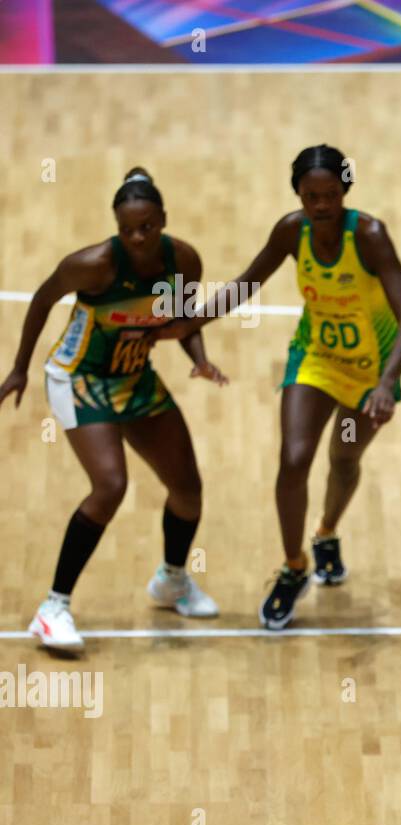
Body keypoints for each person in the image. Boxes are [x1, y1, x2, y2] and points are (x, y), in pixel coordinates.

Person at [159, 145, 401, 629]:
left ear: (345, 191)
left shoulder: (369, 235)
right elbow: (245, 283)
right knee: (293, 459)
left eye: (330, 195)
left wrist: (387, 382)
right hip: (315, 357)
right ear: (296, 193)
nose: (320, 205)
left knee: (344, 458)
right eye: (310, 195)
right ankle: (294, 565)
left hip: (371, 370)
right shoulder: (290, 230)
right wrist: (192, 322)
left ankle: (326, 533)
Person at [0, 168, 225, 655]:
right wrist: (19, 368)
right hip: (79, 375)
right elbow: (42, 299)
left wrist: (200, 359)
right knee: (110, 486)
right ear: (116, 230)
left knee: (187, 488)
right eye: (127, 230)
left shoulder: (183, 260)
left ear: (163, 219)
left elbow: (183, 321)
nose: (137, 237)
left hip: (132, 376)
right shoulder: (95, 264)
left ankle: (172, 582)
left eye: (146, 226)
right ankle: (52, 608)